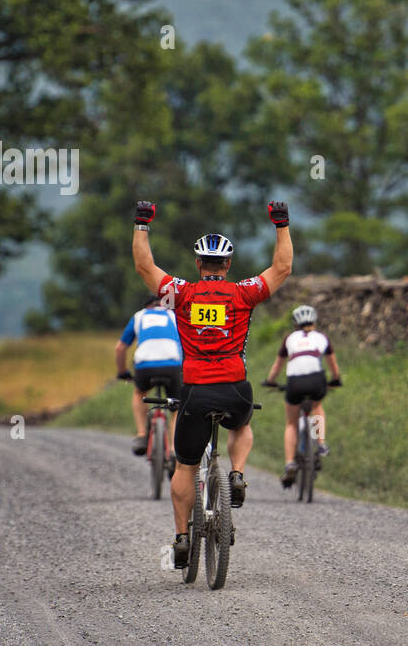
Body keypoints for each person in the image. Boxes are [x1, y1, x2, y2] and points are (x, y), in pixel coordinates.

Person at [132, 199, 293, 568]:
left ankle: (182, 538)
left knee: (186, 467)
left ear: (198, 264)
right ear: (229, 265)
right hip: (234, 387)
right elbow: (282, 267)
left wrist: (142, 223)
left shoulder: (181, 293)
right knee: (242, 424)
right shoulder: (244, 293)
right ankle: (237, 473)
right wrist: (280, 223)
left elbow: (144, 265)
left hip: (194, 390)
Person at [262, 304, 341, 488]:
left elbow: (277, 366)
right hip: (316, 380)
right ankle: (320, 443)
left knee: (291, 422)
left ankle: (290, 463)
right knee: (316, 407)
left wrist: (270, 381)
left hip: (295, 382)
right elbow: (333, 366)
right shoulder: (322, 337)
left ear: (295, 323)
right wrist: (336, 379)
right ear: (314, 321)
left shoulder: (289, 339)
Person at [115, 295, 183, 466]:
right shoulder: (174, 316)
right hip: (172, 364)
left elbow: (120, 348)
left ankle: (141, 435)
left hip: (145, 366)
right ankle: (175, 448)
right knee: (177, 405)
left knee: (139, 393)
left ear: (146, 306)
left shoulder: (139, 316)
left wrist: (122, 372)